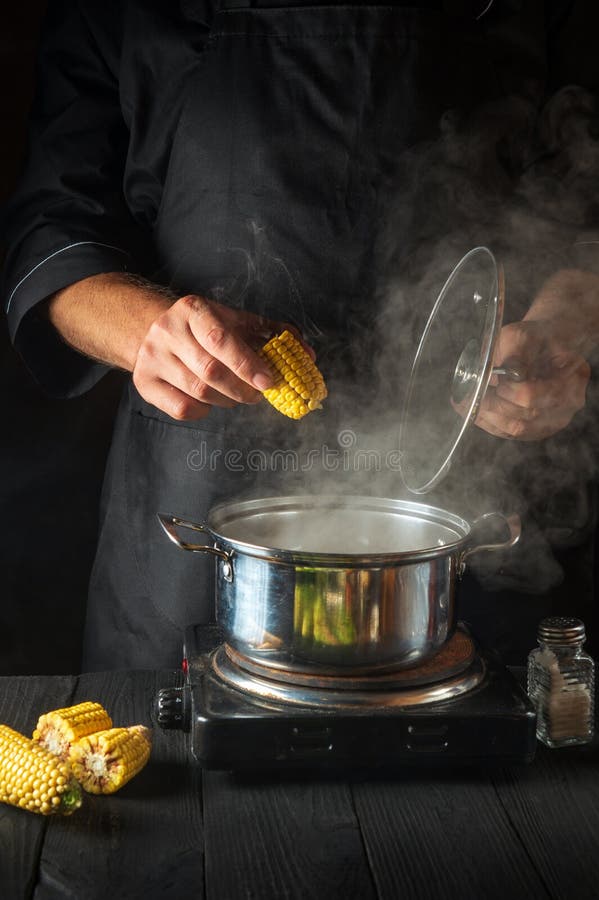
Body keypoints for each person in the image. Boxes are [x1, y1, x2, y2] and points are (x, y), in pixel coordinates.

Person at [2, 0, 599, 670]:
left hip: (472, 478)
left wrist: (559, 326)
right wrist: (149, 330)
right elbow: (51, 229)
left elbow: (586, 203)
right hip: (204, 486)